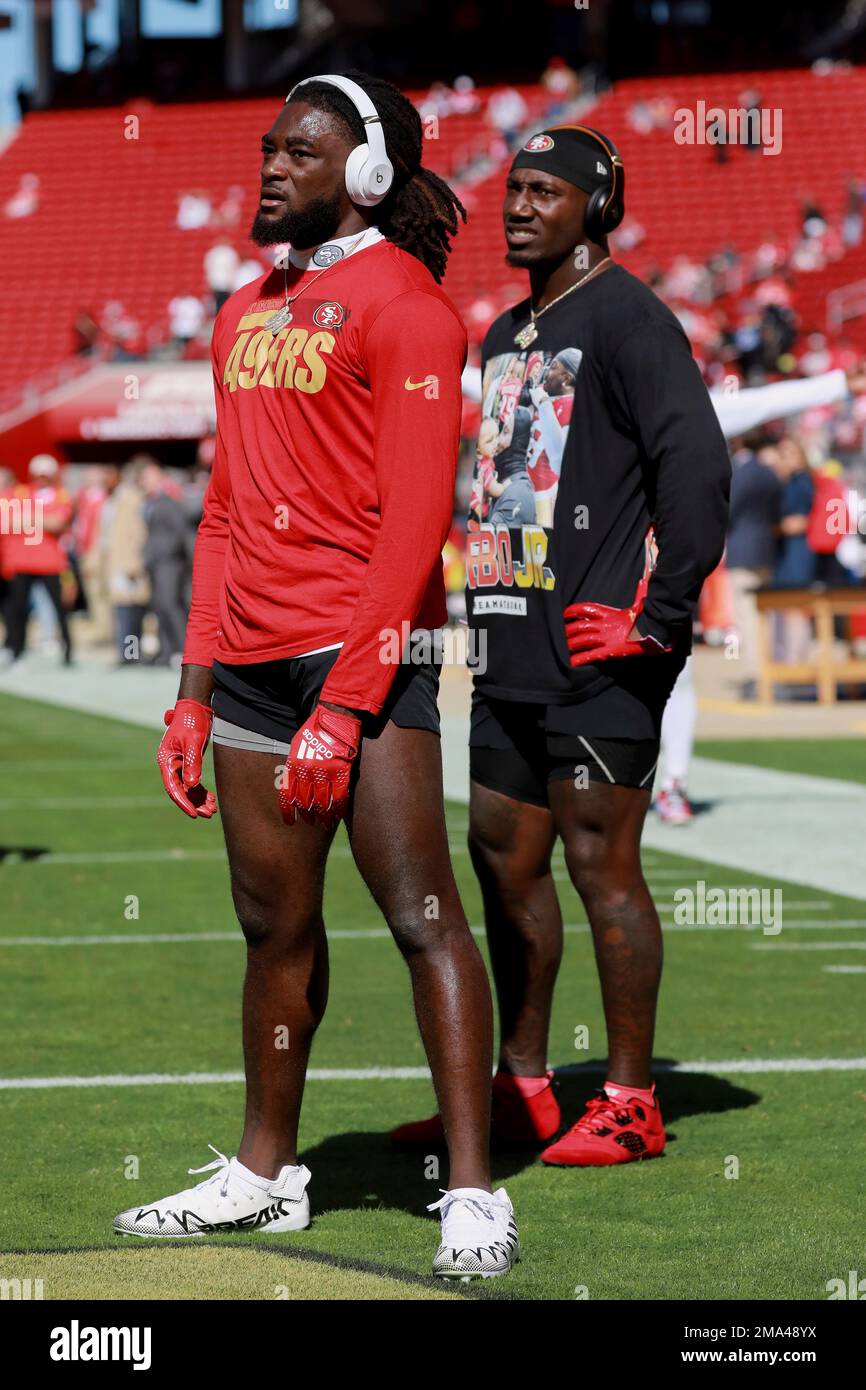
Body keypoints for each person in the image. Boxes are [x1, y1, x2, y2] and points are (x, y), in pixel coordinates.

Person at [113, 71, 518, 1280]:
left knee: (422, 916)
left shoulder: (409, 308)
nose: (271, 167)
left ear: (370, 172)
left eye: (300, 150)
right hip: (243, 661)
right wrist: (190, 688)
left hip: (365, 654)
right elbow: (227, 512)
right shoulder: (245, 309)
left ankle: (472, 1189)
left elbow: (412, 529)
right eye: (267, 147)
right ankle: (263, 1172)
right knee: (270, 926)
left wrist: (344, 707)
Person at [392, 124, 730, 1166]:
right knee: (502, 860)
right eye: (512, 189)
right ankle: (523, 1084)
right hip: (507, 643)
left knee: (601, 863)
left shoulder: (630, 318)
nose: (518, 205)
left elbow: (697, 470)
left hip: (600, 651)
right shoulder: (501, 331)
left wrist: (658, 615)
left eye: (544, 190)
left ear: (596, 202)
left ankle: (629, 1097)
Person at [1, 454, 73, 665]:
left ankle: (68, 649)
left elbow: (57, 522)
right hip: (22, 561)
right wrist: (40, 518)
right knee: (17, 609)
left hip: (50, 562)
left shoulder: (61, 495)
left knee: (60, 608)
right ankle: (15, 650)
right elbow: (6, 518)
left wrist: (28, 518)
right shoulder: (22, 492)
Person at [140, 461, 191, 667]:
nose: (145, 482)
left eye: (148, 478)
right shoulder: (149, 503)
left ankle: (181, 649)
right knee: (160, 606)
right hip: (156, 562)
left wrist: (167, 552)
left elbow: (180, 532)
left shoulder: (169, 502)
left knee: (171, 605)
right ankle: (166, 650)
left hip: (170, 563)